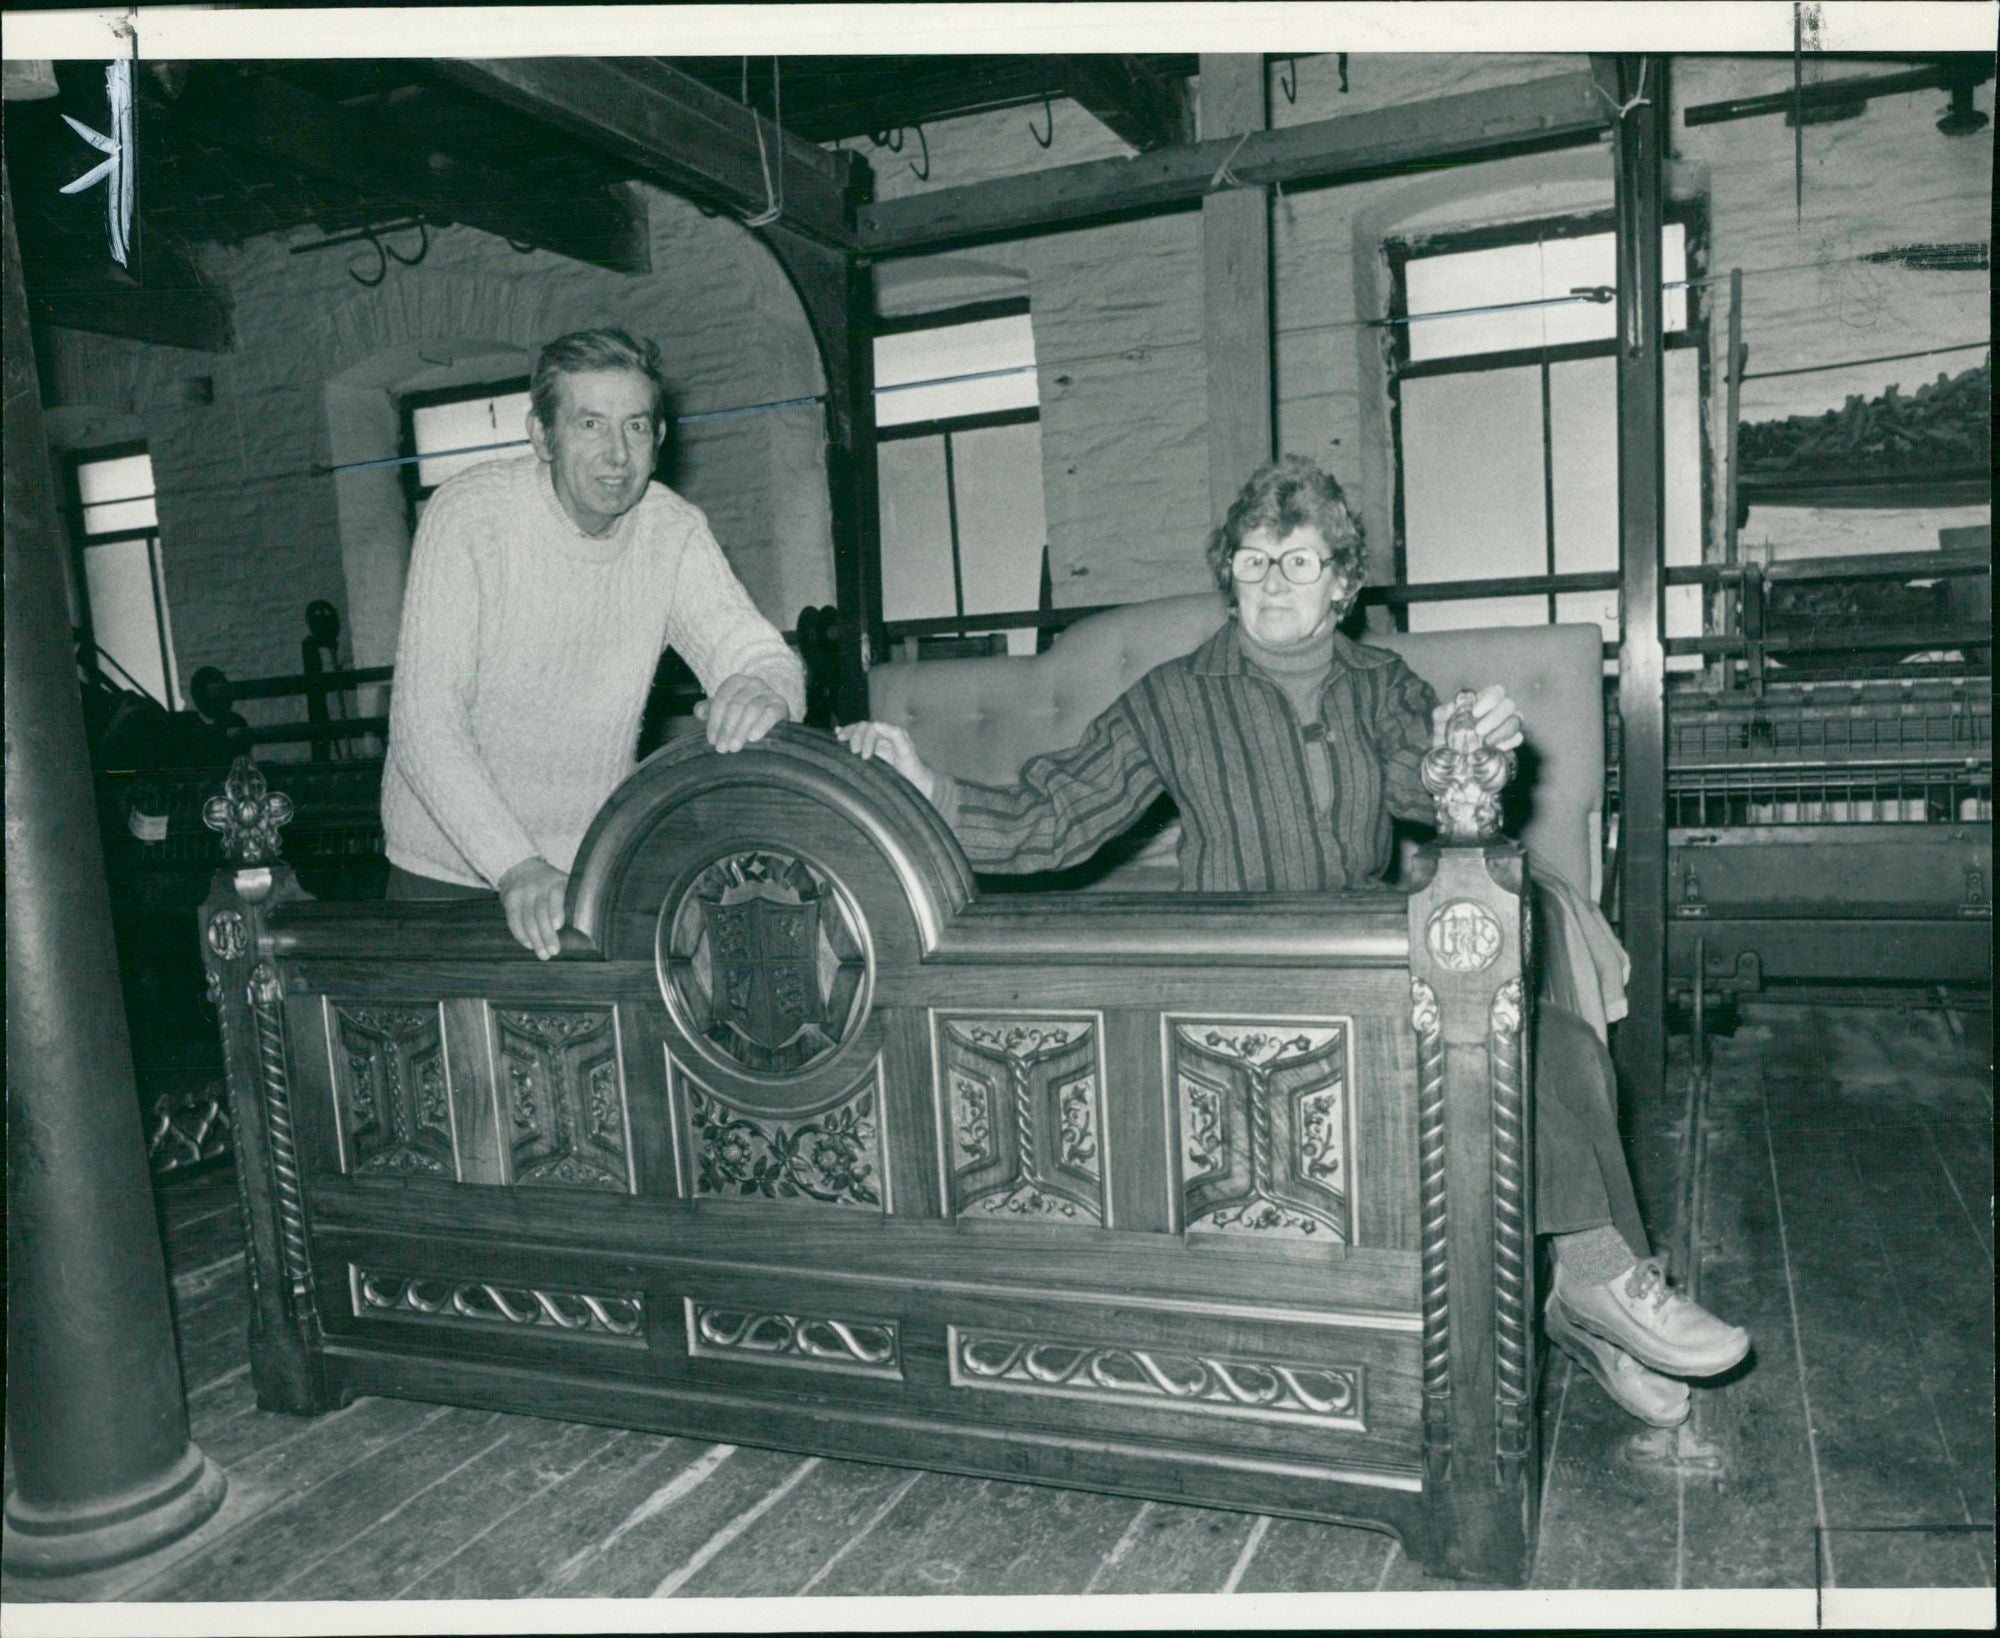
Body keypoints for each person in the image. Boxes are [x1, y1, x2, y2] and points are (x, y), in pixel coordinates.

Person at [841, 455, 1747, 1429]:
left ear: (1342, 583)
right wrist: (926, 785)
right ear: (1227, 573)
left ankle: (1597, 1286)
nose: (1272, 582)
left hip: (1358, 955)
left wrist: (1466, 753)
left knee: (1554, 1041)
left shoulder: (1379, 684)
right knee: (1499, 1046)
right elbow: (1051, 820)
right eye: (1251, 561)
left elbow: (1424, 790)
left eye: (1299, 562)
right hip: (1237, 976)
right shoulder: (1172, 696)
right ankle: (1597, 1297)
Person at [382, 326, 804, 958]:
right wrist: (515, 866)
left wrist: (763, 688)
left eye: (635, 427)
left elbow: (760, 653)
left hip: (586, 868)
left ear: (658, 440)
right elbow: (423, 722)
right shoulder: (468, 516)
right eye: (589, 425)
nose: (616, 454)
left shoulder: (671, 530)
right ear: (540, 435)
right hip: (447, 870)